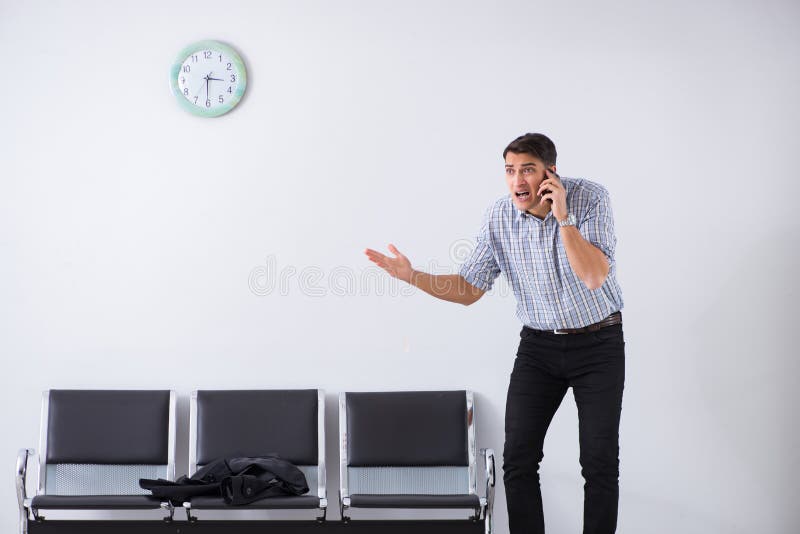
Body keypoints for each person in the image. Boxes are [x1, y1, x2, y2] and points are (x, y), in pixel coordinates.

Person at [364, 132, 625, 534]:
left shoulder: (591, 198)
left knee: (599, 460)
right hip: (539, 346)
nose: (518, 181)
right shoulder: (499, 217)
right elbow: (469, 289)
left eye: (528, 170)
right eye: (509, 171)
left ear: (550, 173)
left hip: (599, 343)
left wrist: (564, 219)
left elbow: (593, 276)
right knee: (518, 459)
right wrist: (412, 276)